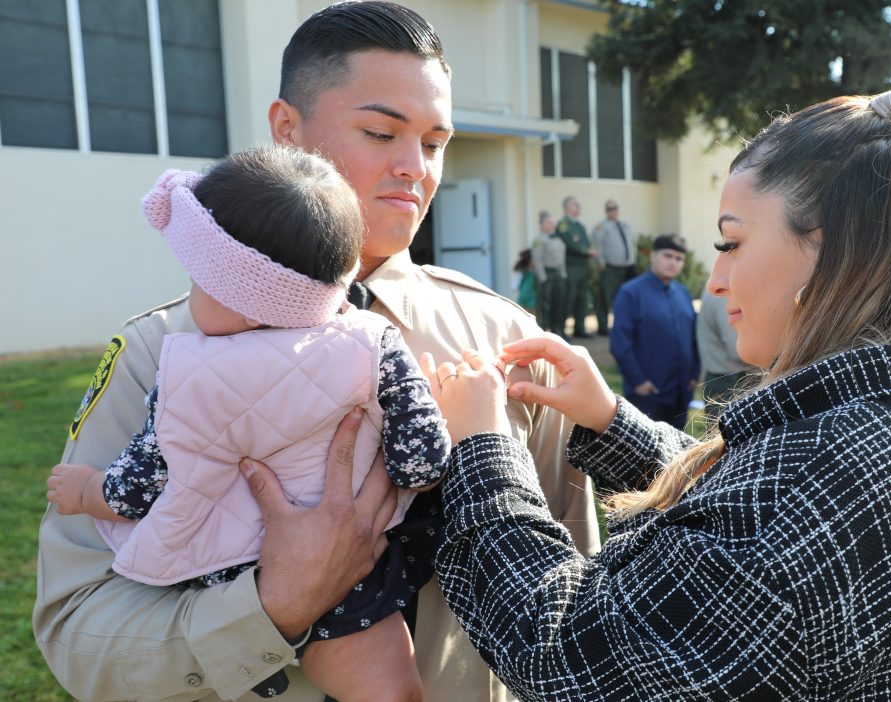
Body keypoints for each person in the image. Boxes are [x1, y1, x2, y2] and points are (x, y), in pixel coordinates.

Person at [33, 4, 600, 702]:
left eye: (436, 140)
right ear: (286, 130)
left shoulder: (506, 340)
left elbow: (576, 602)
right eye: (380, 131)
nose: (414, 169)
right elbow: (77, 627)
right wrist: (271, 608)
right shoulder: (163, 355)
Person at [420, 85, 891, 699]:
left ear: (833, 249)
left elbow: (569, 653)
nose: (717, 285)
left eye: (731, 244)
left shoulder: (808, 482)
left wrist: (483, 448)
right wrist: (608, 420)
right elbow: (739, 521)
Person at [44, 146, 450, 702]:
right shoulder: (375, 341)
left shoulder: (186, 371)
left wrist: (87, 490)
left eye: (199, 284)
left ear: (241, 301)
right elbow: (423, 463)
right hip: (367, 577)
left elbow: (139, 485)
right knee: (393, 689)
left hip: (229, 572)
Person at [610, 233, 700, 430]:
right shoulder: (631, 293)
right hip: (647, 394)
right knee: (645, 455)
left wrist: (694, 373)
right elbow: (620, 342)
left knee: (677, 453)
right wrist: (638, 381)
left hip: (681, 392)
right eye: (668, 256)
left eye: (679, 259)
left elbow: (693, 337)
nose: (673, 263)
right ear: (653, 256)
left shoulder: (683, 293)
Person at [696, 285, 754, 426]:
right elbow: (737, 349)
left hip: (723, 380)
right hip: (728, 383)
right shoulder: (723, 296)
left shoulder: (713, 291)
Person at [591, 199, 637, 336]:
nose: (613, 211)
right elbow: (598, 246)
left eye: (615, 208)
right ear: (606, 211)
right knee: (605, 298)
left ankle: (621, 325)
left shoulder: (625, 225)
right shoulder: (601, 226)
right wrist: (601, 264)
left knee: (624, 299)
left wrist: (632, 261)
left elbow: (632, 244)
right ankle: (603, 327)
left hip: (627, 268)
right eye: (610, 209)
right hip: (610, 269)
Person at [556, 195, 593, 338]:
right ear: (566, 208)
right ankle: (562, 330)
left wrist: (588, 249)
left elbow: (587, 242)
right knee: (568, 298)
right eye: (574, 205)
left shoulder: (579, 226)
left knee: (581, 298)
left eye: (578, 205)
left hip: (583, 266)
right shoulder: (563, 224)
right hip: (571, 267)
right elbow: (570, 244)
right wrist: (586, 251)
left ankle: (580, 328)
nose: (578, 207)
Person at [531, 210, 567, 336]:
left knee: (559, 304)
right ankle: (543, 332)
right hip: (547, 274)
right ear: (541, 225)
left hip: (558, 274)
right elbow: (537, 259)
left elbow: (561, 257)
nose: (552, 224)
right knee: (545, 305)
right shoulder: (539, 240)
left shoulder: (557, 237)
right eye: (549, 222)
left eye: (553, 222)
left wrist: (563, 273)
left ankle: (558, 331)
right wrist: (542, 278)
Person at [513, 248, 537, 314]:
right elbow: (515, 286)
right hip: (527, 297)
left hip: (528, 297)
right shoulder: (524, 272)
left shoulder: (529, 271)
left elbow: (514, 286)